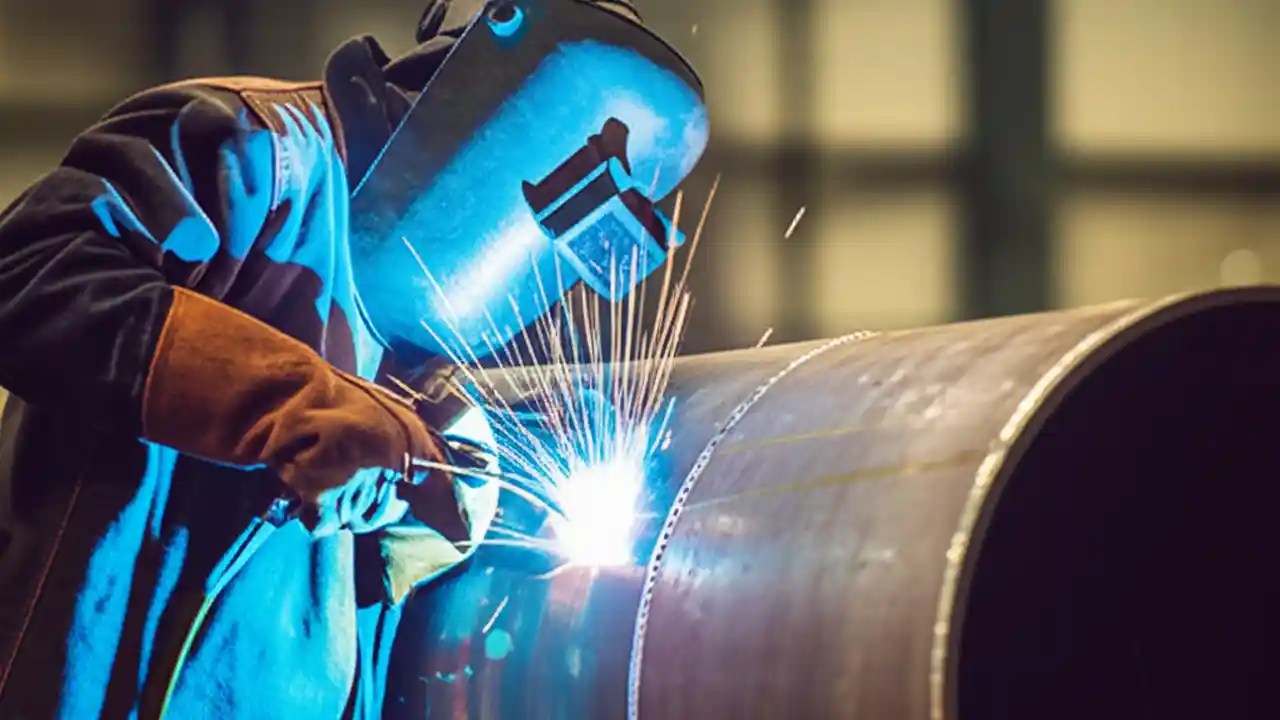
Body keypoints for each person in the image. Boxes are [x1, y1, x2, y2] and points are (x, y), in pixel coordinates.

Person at [0, 0, 707, 717]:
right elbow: (30, 266)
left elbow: (413, 507)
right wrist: (288, 405)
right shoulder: (256, 150)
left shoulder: (442, 310)